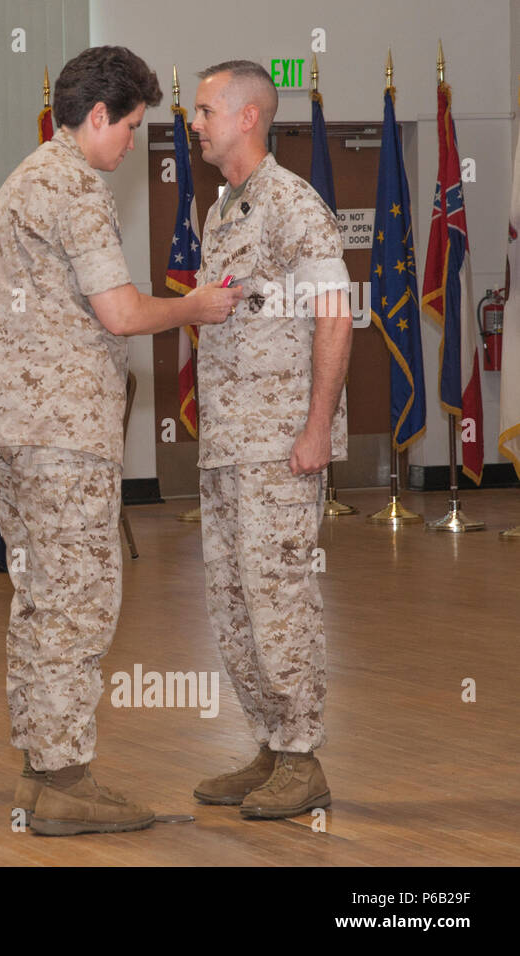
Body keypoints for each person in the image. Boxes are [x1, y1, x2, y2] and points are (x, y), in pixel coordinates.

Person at [0, 46, 242, 836]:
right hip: (55, 429)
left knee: (43, 594)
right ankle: (65, 781)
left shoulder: (28, 177)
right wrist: (195, 307)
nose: (130, 146)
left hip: (11, 422)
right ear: (96, 118)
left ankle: (43, 770)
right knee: (77, 599)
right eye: (130, 128)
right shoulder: (74, 188)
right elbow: (119, 312)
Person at [188, 60, 351, 819]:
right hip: (226, 442)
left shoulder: (294, 203)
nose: (195, 121)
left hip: (281, 444)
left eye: (205, 108)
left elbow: (334, 314)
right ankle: (268, 742)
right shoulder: (221, 211)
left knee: (278, 595)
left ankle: (302, 756)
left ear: (247, 116)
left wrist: (318, 425)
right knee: (231, 601)